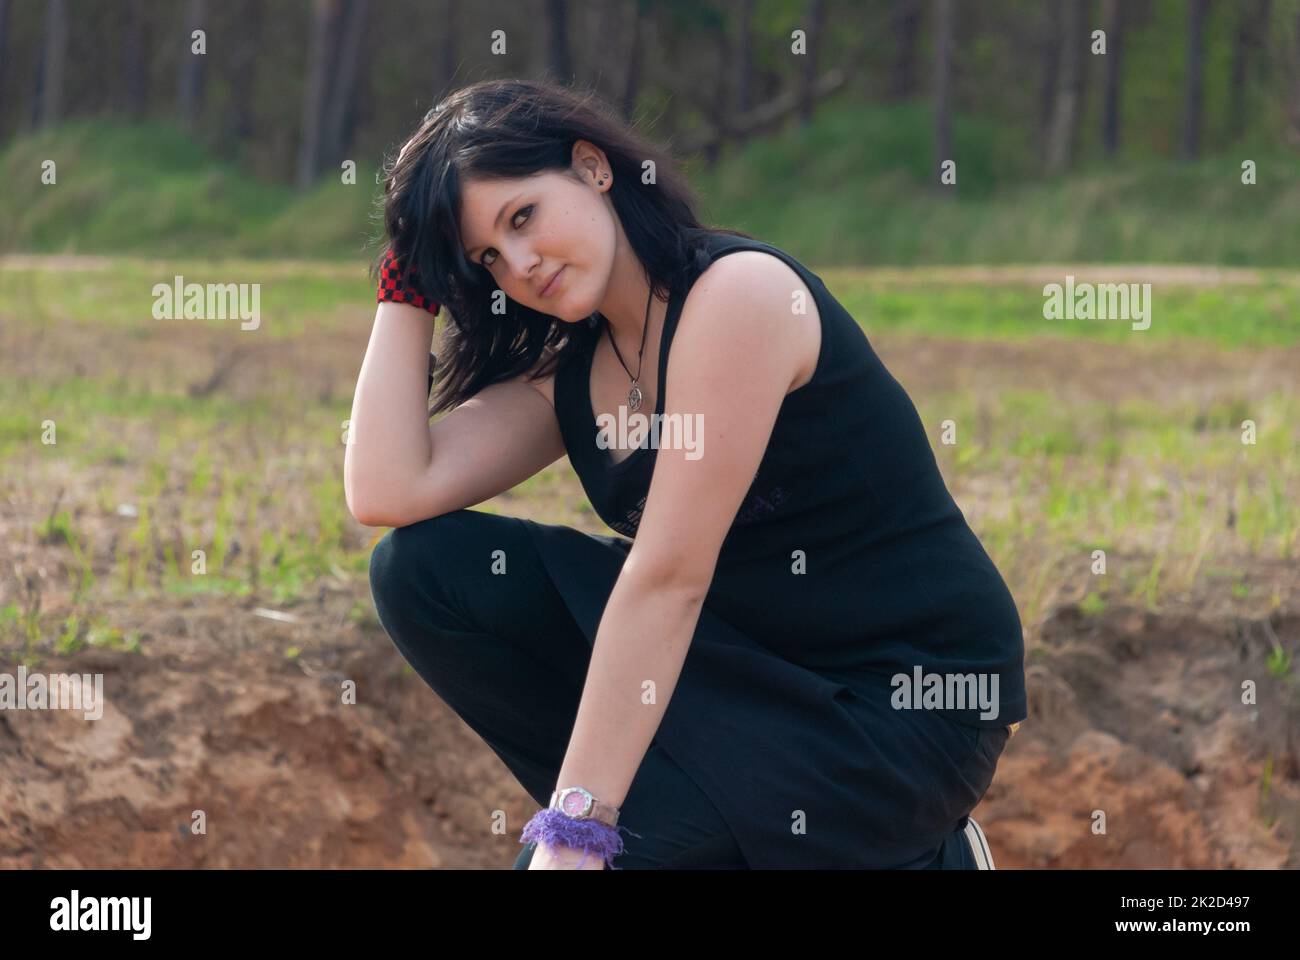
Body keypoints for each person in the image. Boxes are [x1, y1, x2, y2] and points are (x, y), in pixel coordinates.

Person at [348, 78, 1026, 870]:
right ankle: (652, 819)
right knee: (425, 570)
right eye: (487, 256)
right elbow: (387, 490)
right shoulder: (577, 373)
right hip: (748, 682)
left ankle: (921, 856)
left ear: (594, 168)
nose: (522, 264)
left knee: (627, 853)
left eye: (523, 216)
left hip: (897, 709)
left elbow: (668, 578)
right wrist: (406, 280)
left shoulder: (739, 297)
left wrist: (576, 830)